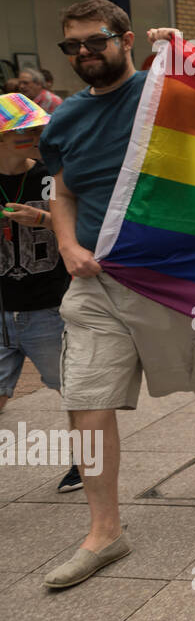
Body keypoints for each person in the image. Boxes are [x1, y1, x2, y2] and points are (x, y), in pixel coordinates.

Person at [37, 0, 195, 589]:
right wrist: (67, 246)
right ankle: (105, 532)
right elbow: (63, 191)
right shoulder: (64, 119)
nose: (83, 53)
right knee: (87, 399)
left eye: (95, 41)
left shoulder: (169, 92)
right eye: (71, 45)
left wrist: (186, 56)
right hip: (95, 282)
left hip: (173, 275)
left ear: (126, 40)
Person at [0, 93, 81, 492]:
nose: (35, 135)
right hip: (1, 310)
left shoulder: (51, 174)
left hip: (49, 307)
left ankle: (84, 462)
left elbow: (80, 229)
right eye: (24, 130)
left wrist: (42, 218)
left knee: (75, 390)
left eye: (37, 127)